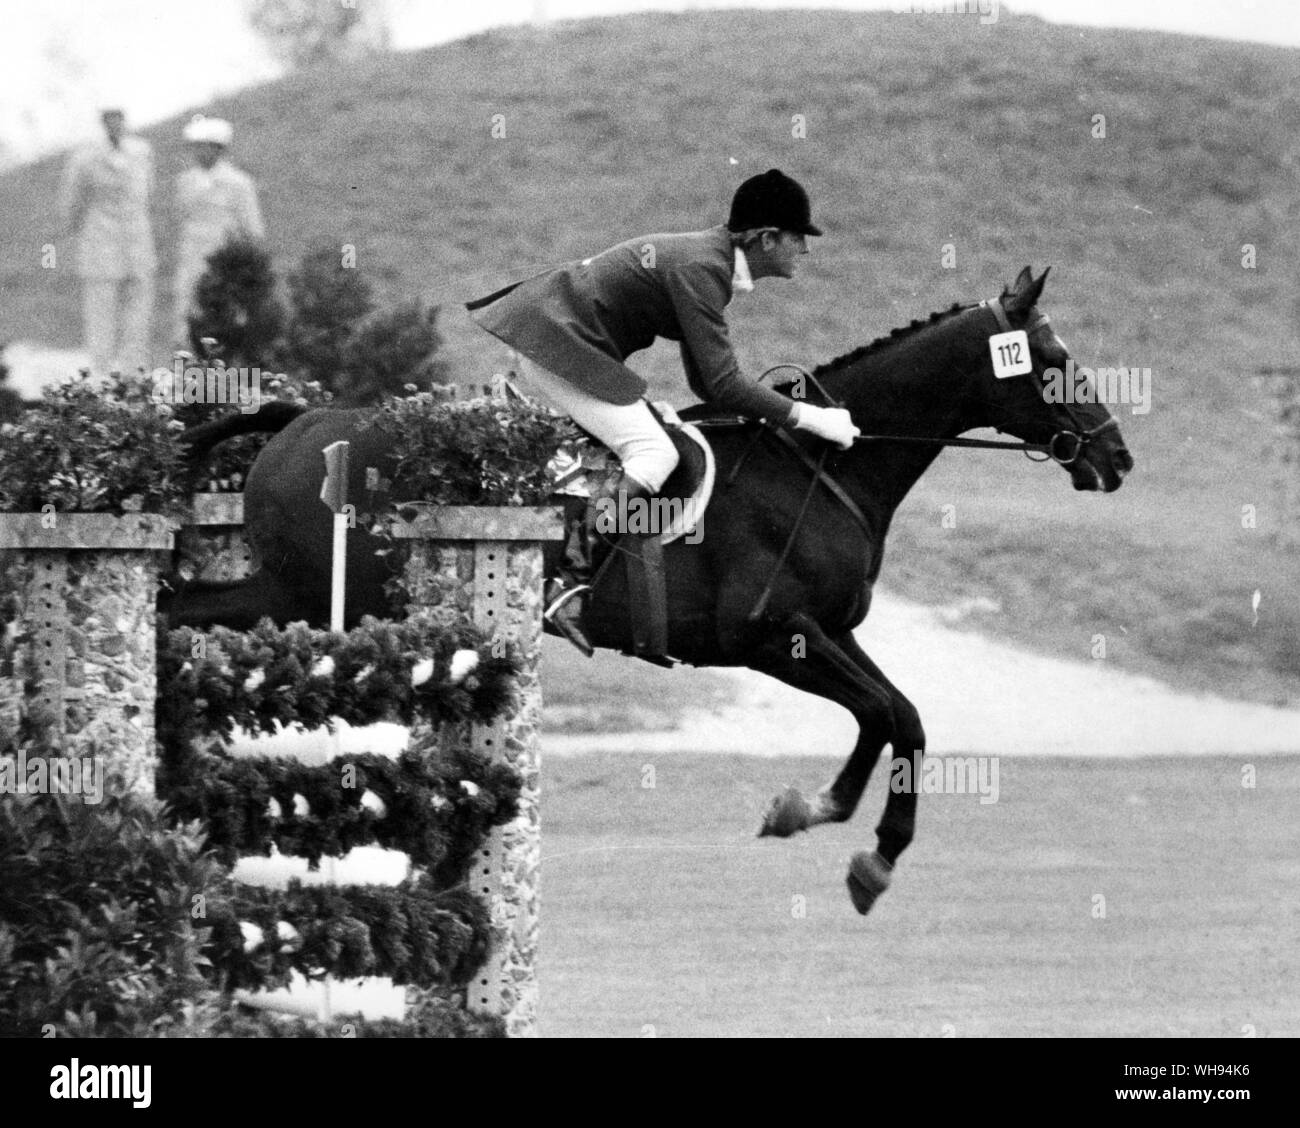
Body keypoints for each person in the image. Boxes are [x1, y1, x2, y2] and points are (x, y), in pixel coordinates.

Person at [466, 168, 859, 654]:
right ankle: (567, 579)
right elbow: (722, 382)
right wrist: (811, 418)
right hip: (558, 347)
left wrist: (770, 412)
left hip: (564, 343)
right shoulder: (702, 269)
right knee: (655, 454)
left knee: (660, 435)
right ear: (766, 237)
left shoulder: (709, 262)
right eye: (799, 239)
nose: (805, 250)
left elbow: (706, 382)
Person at [58, 107, 156, 374]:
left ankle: (134, 375)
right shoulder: (85, 157)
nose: (115, 124)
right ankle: (100, 375)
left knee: (137, 315)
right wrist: (66, 237)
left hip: (137, 241)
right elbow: (72, 202)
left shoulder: (141, 151)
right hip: (100, 242)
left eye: (119, 118)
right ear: (103, 123)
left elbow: (148, 193)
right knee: (101, 315)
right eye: (110, 119)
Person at [173, 115, 266, 348]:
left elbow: (252, 228)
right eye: (196, 147)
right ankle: (188, 371)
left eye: (206, 147)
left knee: (223, 318)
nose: (200, 153)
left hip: (225, 259)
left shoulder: (238, 183)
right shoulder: (185, 181)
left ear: (218, 149)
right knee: (187, 312)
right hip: (192, 257)